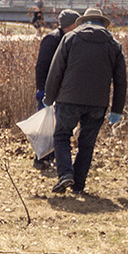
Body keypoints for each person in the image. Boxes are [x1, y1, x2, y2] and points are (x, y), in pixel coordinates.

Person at [43, 6, 127, 196]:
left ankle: (65, 174)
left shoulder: (70, 38)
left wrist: (49, 97)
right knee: (86, 144)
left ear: (85, 22)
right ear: (101, 23)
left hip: (68, 99)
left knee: (62, 136)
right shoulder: (114, 44)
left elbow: (56, 71)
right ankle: (78, 185)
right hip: (98, 103)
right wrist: (117, 110)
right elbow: (121, 81)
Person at [31, 9, 79, 166]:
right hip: (49, 90)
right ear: (70, 25)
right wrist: (41, 90)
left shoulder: (72, 39)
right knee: (46, 129)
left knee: (60, 126)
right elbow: (42, 66)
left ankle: (52, 157)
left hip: (66, 91)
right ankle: (41, 158)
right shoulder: (52, 39)